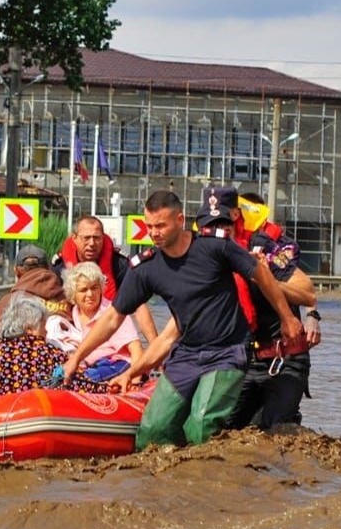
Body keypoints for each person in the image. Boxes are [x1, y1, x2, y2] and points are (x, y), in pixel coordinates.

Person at [61, 190, 302, 449]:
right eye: (149, 226)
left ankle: (208, 471)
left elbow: (260, 274)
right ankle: (169, 472)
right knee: (152, 430)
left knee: (200, 424)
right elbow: (112, 319)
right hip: (186, 355)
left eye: (160, 225)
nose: (154, 233)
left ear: (180, 220)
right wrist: (77, 358)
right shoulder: (146, 268)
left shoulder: (214, 245)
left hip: (227, 351)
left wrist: (287, 318)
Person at [204, 189, 322, 430]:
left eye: (223, 222)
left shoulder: (266, 248)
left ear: (236, 216)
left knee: (273, 429)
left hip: (283, 358)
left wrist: (263, 278)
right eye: (209, 224)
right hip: (242, 360)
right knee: (220, 431)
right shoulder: (203, 252)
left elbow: (307, 293)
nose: (217, 230)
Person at [0, 295, 110, 400]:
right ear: (29, 328)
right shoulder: (52, 353)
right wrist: (109, 388)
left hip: (0, 422)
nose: (47, 331)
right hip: (46, 419)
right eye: (43, 325)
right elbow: (81, 385)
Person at [51, 216, 159, 346]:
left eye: (96, 238)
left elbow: (139, 305)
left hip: (110, 330)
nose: (92, 243)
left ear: (103, 238)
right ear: (74, 238)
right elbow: (52, 307)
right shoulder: (60, 267)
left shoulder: (119, 265)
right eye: (86, 238)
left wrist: (155, 346)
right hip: (74, 332)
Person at [0, 244, 71, 356]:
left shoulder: (9, 302)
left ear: (16, 271)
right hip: (65, 362)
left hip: (18, 362)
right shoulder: (70, 298)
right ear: (48, 268)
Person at [60, 260, 144, 382]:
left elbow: (136, 347)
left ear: (101, 289)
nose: (90, 294)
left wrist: (135, 380)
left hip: (118, 363)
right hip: (92, 365)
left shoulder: (114, 312)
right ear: (73, 294)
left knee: (87, 377)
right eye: (83, 290)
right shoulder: (74, 312)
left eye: (94, 288)